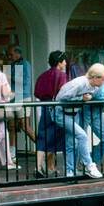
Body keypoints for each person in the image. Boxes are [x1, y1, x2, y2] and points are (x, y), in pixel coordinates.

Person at [54, 63, 104, 178]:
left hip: (74, 112)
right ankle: (89, 165)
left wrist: (84, 99)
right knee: (82, 136)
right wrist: (81, 98)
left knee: (71, 143)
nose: (103, 82)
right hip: (61, 113)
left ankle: (70, 172)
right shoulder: (79, 83)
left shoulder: (94, 86)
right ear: (95, 77)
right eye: (103, 79)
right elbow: (61, 98)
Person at [33, 50, 69, 178]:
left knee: (43, 137)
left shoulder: (43, 75)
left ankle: (39, 167)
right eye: (64, 60)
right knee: (54, 138)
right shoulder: (62, 75)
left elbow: (36, 92)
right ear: (60, 62)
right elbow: (63, 92)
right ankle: (50, 168)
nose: (65, 62)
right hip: (56, 107)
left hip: (44, 107)